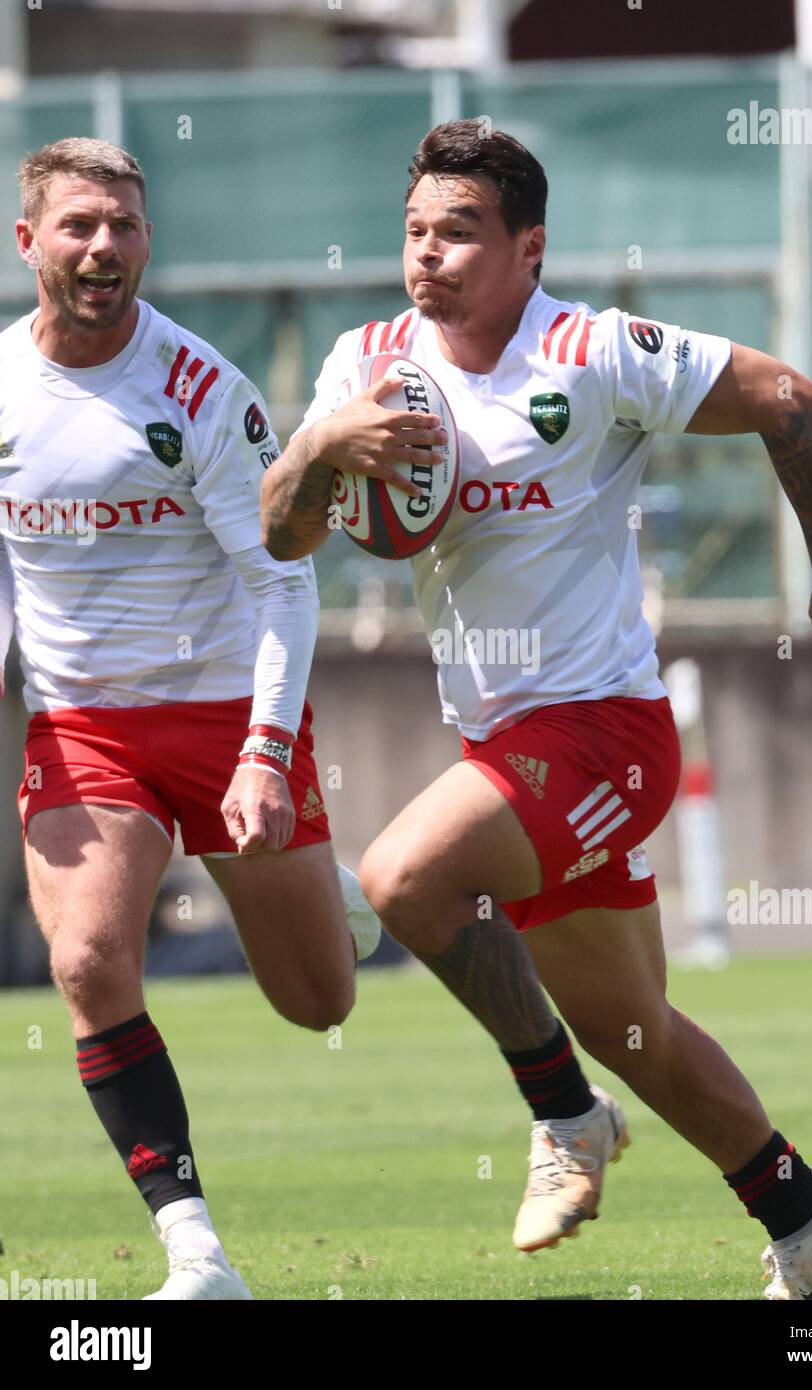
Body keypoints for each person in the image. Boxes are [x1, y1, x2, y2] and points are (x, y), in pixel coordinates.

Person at [261, 120, 812, 1300]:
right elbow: (283, 530)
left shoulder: (593, 352)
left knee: (400, 880)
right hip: (502, 745)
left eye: (460, 231)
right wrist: (321, 444)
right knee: (636, 1029)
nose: (428, 254)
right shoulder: (368, 362)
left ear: (529, 248)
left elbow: (788, 399)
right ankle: (806, 1216)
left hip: (604, 729)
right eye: (414, 232)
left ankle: (561, 1115)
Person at [0, 138, 376, 1302]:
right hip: (82, 727)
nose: (103, 245)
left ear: (146, 240)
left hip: (224, 713)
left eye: (122, 224)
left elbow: (281, 578)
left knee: (317, 999)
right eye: (78, 225)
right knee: (87, 958)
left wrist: (267, 749)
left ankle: (339, 898)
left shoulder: (204, 390)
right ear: (30, 244)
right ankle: (197, 1254)